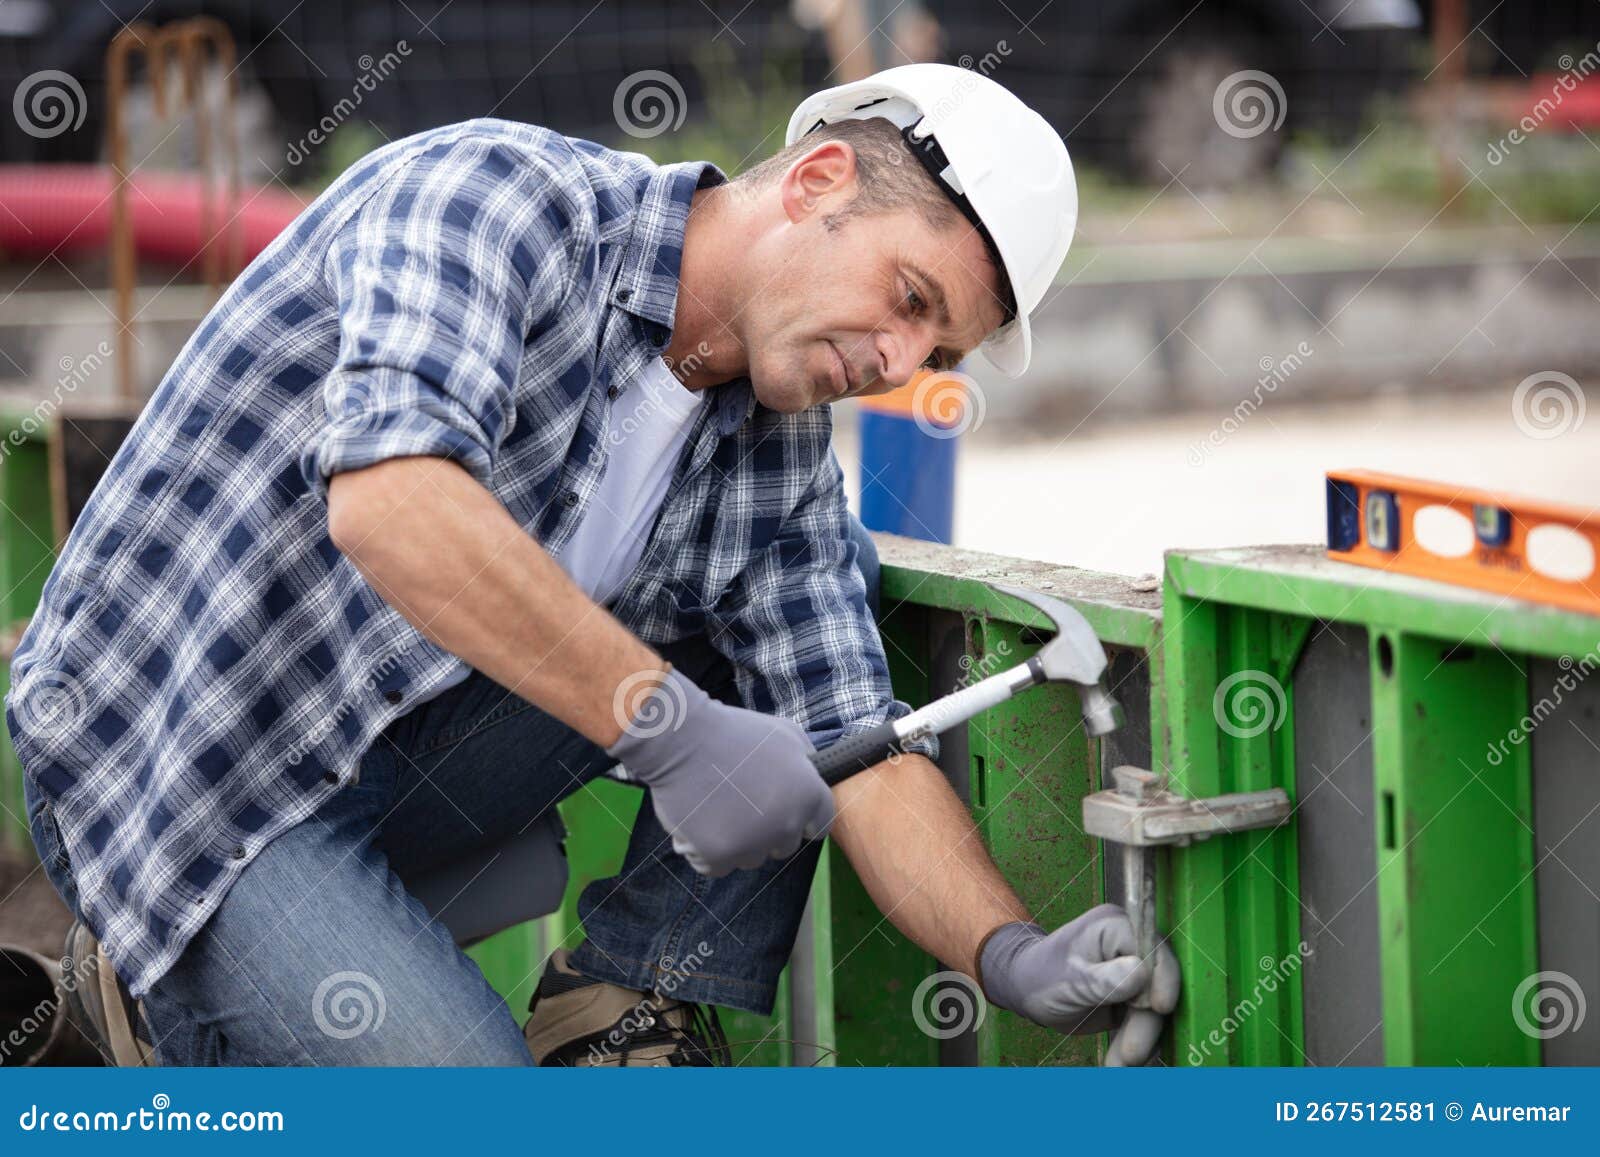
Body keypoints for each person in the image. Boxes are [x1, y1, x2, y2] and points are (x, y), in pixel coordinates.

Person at [8, 64, 1178, 1067]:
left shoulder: (777, 464)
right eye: (908, 298)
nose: (898, 359)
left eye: (937, 347)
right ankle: (153, 989)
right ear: (818, 181)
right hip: (183, 761)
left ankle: (623, 1005)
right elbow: (394, 502)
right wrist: (667, 724)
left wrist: (1009, 951)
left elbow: (859, 750)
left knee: (797, 663)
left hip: (388, 754)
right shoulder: (492, 199)